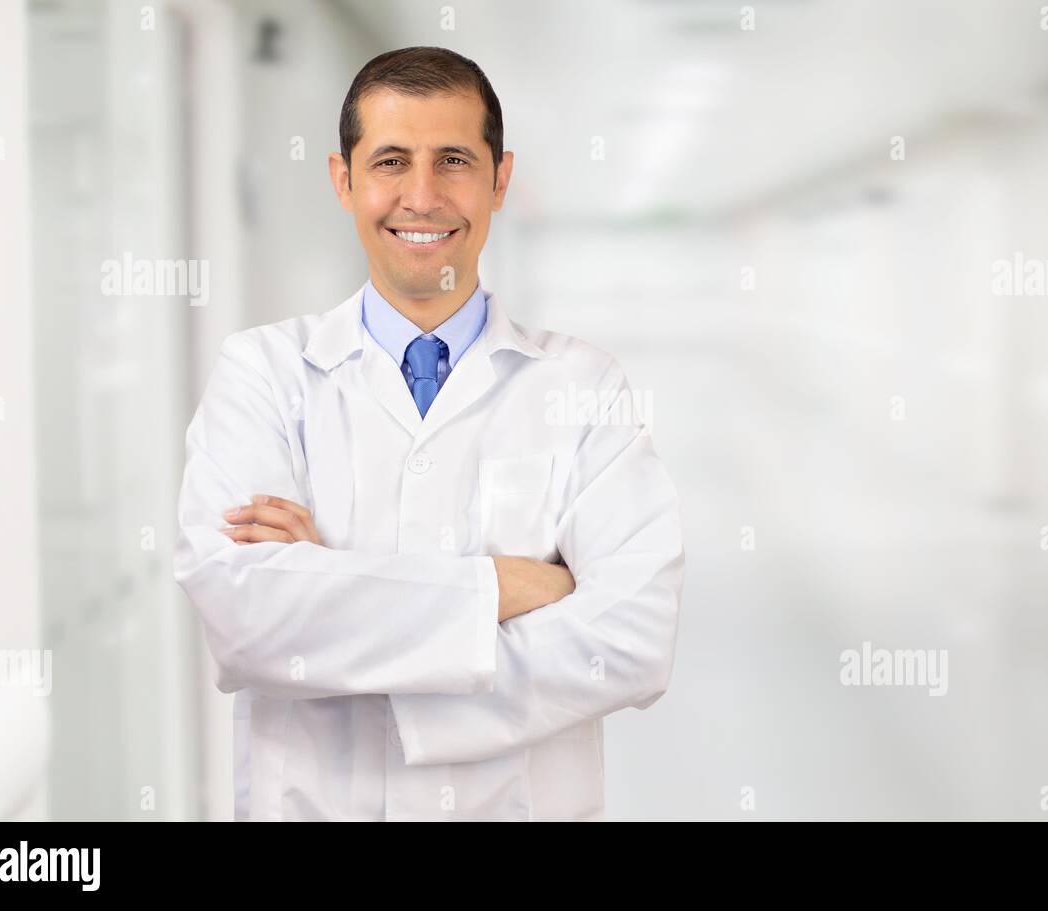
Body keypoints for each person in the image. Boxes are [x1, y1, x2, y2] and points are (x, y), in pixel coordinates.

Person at [173, 46, 685, 821]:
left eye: (453, 160)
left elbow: (632, 639)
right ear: (343, 180)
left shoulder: (584, 386)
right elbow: (249, 618)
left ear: (499, 179)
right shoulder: (262, 374)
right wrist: (507, 586)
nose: (421, 195)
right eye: (390, 161)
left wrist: (335, 594)